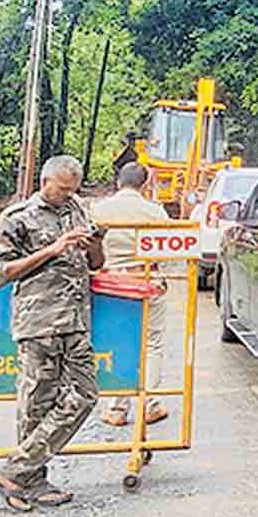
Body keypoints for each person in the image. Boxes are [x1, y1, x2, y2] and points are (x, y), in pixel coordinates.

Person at [0, 155, 105, 512]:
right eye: (63, 189)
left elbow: (97, 264)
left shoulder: (77, 210)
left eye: (73, 190)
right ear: (44, 182)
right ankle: (30, 482)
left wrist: (94, 244)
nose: (69, 195)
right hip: (38, 322)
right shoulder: (16, 217)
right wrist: (52, 249)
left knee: (85, 395)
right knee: (35, 406)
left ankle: (13, 472)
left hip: (76, 319)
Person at [90, 162, 172, 427]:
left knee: (119, 341)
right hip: (146, 281)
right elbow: (168, 251)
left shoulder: (99, 210)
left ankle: (116, 408)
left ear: (118, 182)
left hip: (111, 283)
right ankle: (150, 404)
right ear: (145, 185)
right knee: (152, 344)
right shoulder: (154, 212)